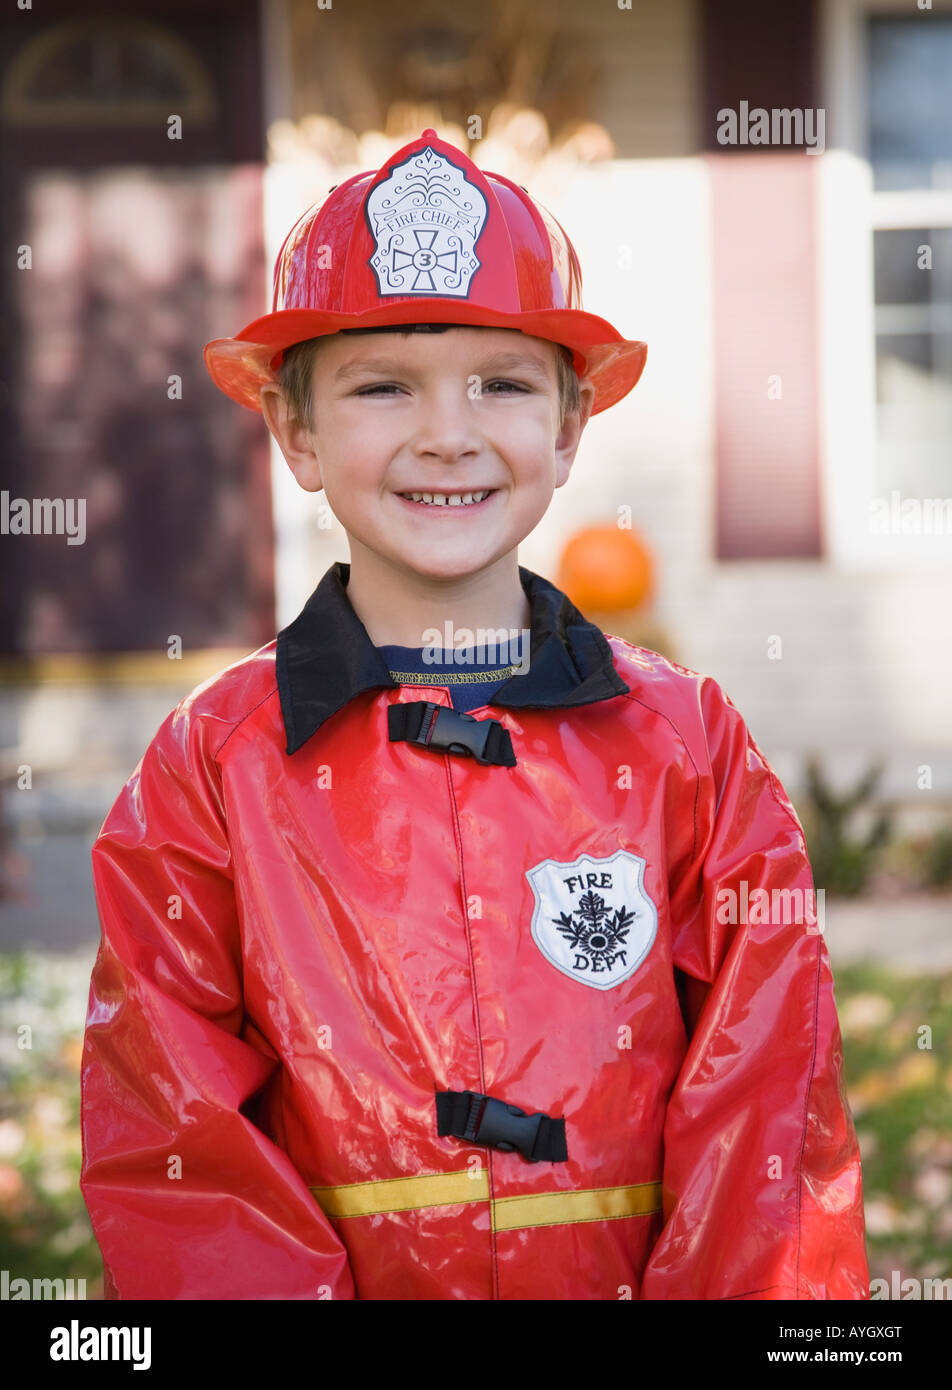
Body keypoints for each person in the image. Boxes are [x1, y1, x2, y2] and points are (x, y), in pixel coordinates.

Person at [79, 128, 869, 1300]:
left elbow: (767, 1100)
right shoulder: (214, 761)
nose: (448, 433)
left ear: (566, 428)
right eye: (382, 385)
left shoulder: (683, 741)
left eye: (501, 383)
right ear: (295, 433)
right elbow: (177, 1136)